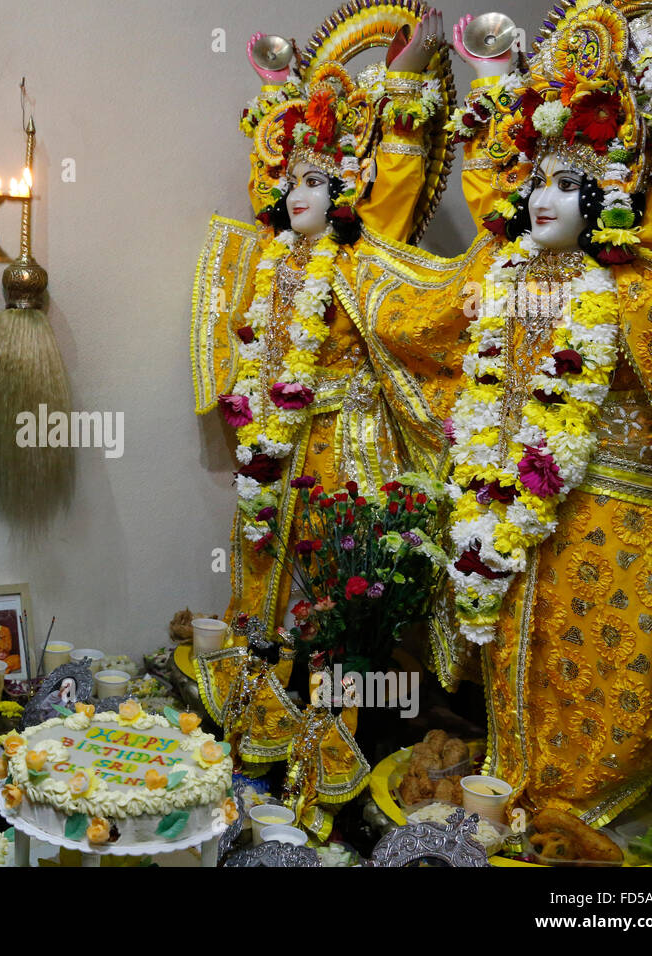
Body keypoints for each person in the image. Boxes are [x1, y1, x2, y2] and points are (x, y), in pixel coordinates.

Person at [357, 0, 652, 823]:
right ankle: (512, 788)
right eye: (536, 179)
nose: (545, 197)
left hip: (614, 518)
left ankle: (582, 800)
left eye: (570, 182)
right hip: (515, 510)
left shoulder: (636, 280)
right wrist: (484, 79)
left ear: (612, 198)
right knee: (521, 666)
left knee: (601, 674)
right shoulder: (500, 275)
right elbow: (405, 314)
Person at [190, 10, 448, 831]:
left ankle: (330, 757)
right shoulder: (268, 261)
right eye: (289, 181)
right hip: (271, 447)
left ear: (344, 194)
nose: (296, 194)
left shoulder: (359, 255)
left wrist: (409, 71)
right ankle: (254, 744)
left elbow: (397, 183)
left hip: (340, 449)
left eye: (315, 182)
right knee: (258, 596)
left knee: (337, 605)